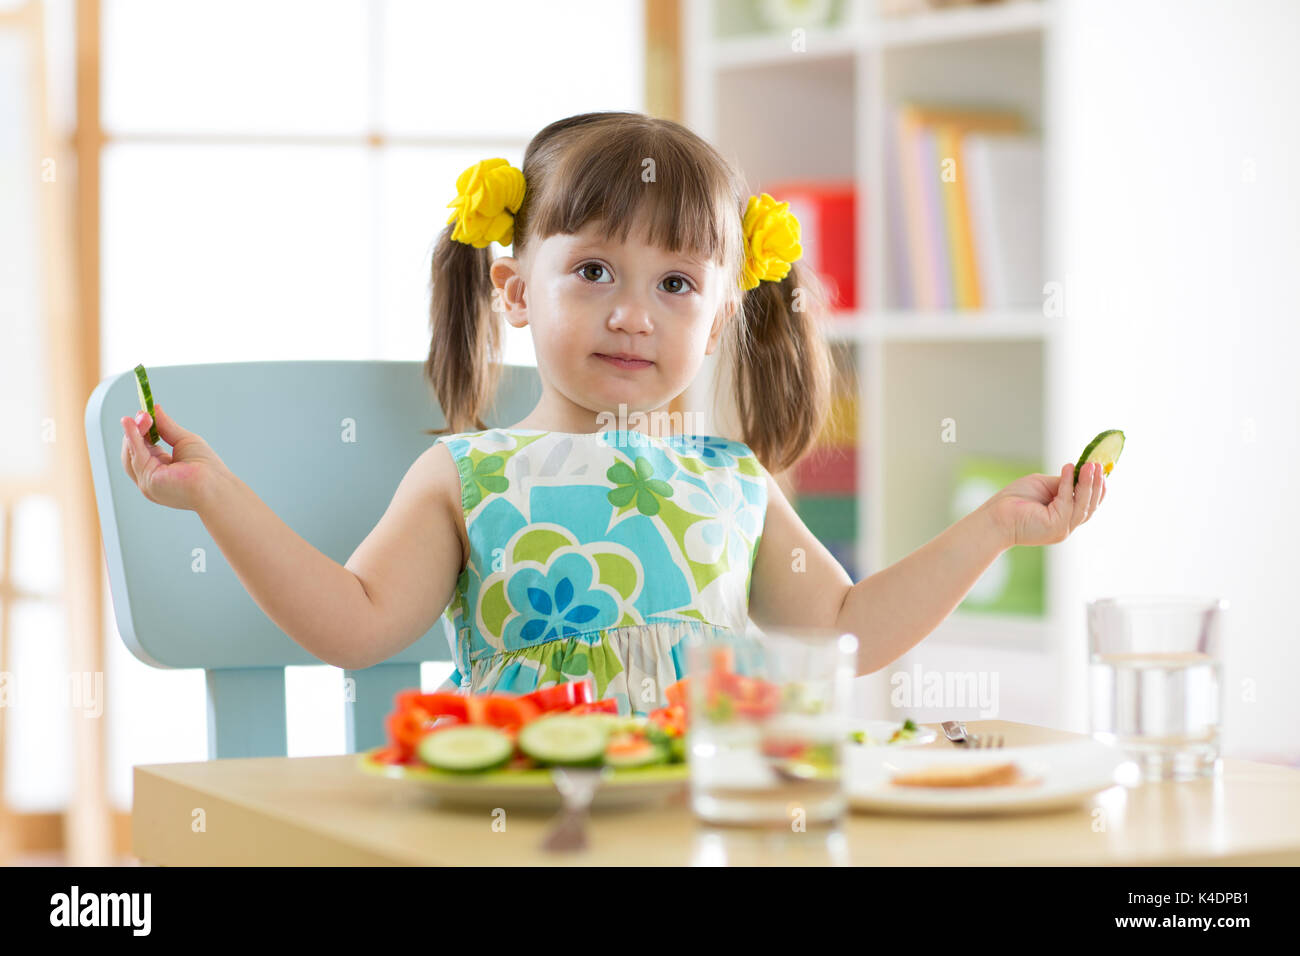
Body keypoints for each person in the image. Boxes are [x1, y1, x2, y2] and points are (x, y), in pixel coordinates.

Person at [119, 110, 1107, 717]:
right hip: (517, 827)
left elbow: (849, 621)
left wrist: (997, 527)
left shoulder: (730, 478)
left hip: (703, 827)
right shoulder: (468, 475)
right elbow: (354, 623)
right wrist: (216, 495)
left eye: (676, 282)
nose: (632, 311)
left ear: (720, 317)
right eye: (592, 270)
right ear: (514, 290)